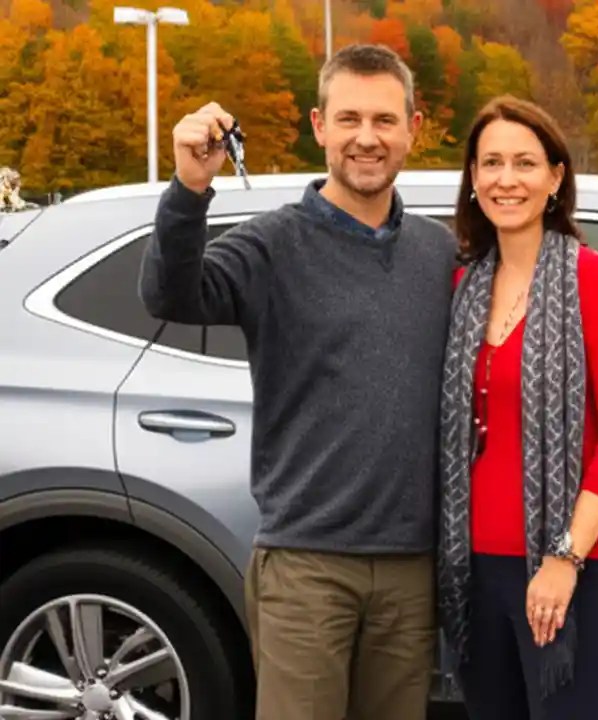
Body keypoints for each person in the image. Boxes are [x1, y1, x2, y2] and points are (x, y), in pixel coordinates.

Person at [139, 43, 455, 720]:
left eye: (383, 120)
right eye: (348, 119)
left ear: (413, 128)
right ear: (319, 126)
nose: (366, 138)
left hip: (410, 568)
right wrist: (189, 189)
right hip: (307, 566)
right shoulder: (270, 245)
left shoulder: (438, 252)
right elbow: (170, 296)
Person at [437, 95, 598, 719]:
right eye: (491, 163)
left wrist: (564, 557)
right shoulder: (461, 287)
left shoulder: (597, 281)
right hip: (475, 565)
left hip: (579, 563)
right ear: (473, 178)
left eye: (525, 163)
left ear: (555, 178)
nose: (507, 179)